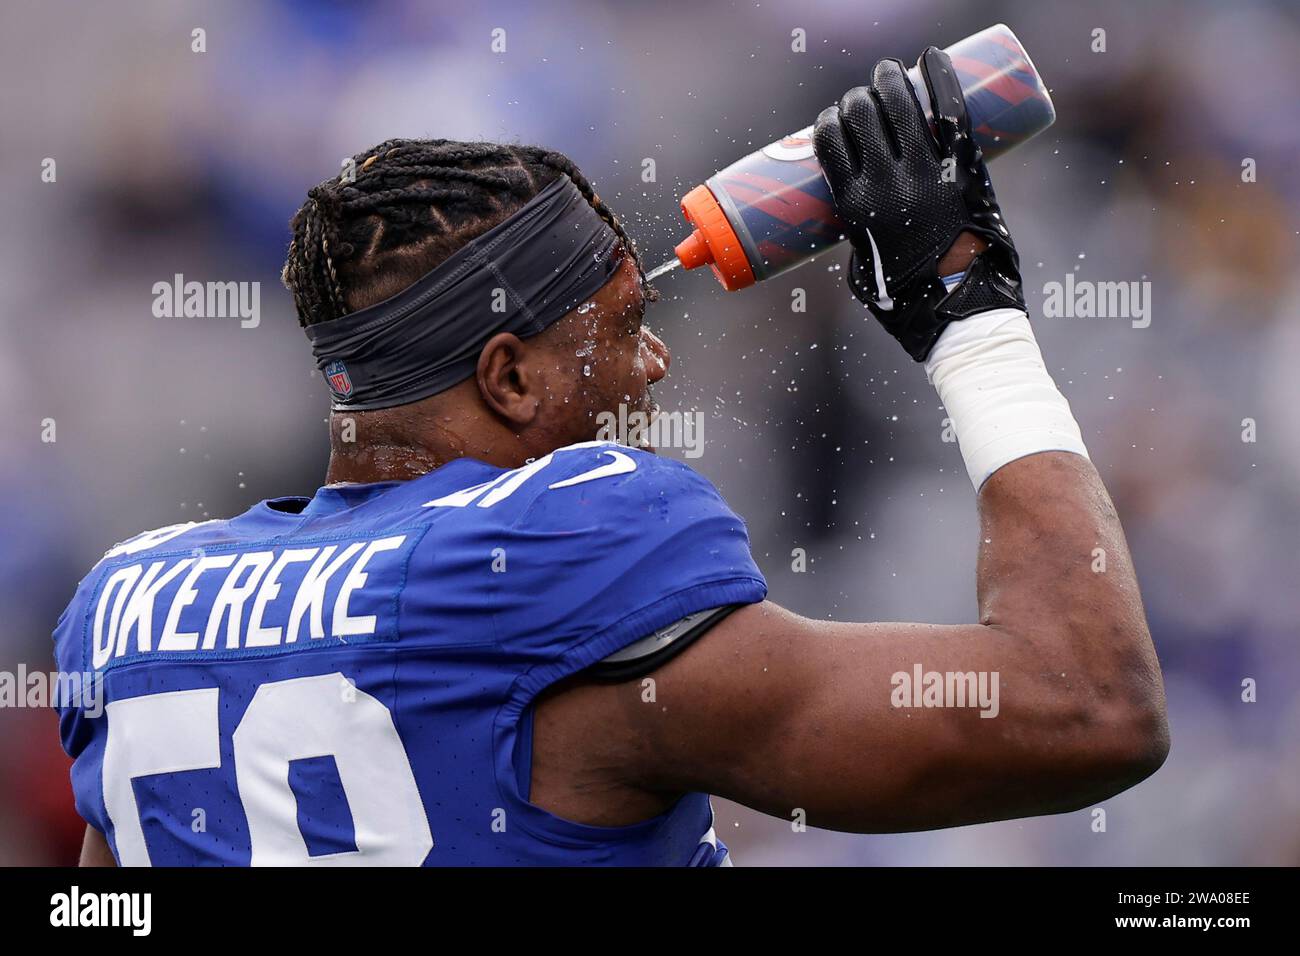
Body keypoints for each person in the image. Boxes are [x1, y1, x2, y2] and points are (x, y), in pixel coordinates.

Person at [58, 48, 1168, 867]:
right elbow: (1088, 707)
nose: (653, 363)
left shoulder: (131, 602)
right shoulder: (559, 544)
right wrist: (971, 322)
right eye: (623, 324)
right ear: (509, 378)